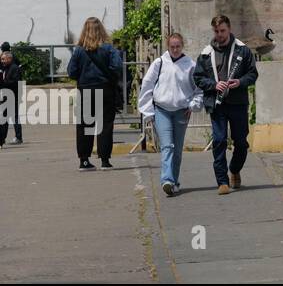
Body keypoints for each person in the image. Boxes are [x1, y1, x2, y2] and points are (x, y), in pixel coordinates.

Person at [193, 15, 258, 195]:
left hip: (237, 102)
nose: (220, 35)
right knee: (220, 140)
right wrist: (214, 85)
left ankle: (234, 169)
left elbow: (253, 74)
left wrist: (241, 82)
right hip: (217, 103)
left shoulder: (243, 50)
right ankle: (222, 181)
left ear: (229, 29)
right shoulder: (206, 53)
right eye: (216, 31)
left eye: (222, 31)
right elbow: (197, 78)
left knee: (241, 143)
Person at [137, 32, 204, 196]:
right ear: (168, 46)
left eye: (178, 46)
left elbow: (199, 89)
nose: (175, 49)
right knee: (167, 146)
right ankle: (166, 180)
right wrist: (148, 112)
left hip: (182, 111)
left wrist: (193, 105)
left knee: (178, 149)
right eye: (172, 47)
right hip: (162, 110)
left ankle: (174, 181)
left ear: (182, 46)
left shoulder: (190, 65)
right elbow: (147, 86)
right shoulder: (159, 63)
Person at [66, 17, 124, 170]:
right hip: (105, 89)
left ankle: (84, 160)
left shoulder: (79, 50)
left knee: (85, 125)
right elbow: (117, 66)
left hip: (85, 90)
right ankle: (105, 160)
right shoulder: (109, 48)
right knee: (105, 125)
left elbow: (71, 72)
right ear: (101, 30)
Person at [0, 43, 22, 147]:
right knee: (5, 118)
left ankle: (18, 137)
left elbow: (16, 82)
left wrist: (4, 84)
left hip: (13, 96)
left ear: (9, 58)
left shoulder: (14, 68)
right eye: (2, 59)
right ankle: (3, 139)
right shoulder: (5, 68)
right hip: (5, 96)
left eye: (4, 59)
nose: (2, 61)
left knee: (14, 117)